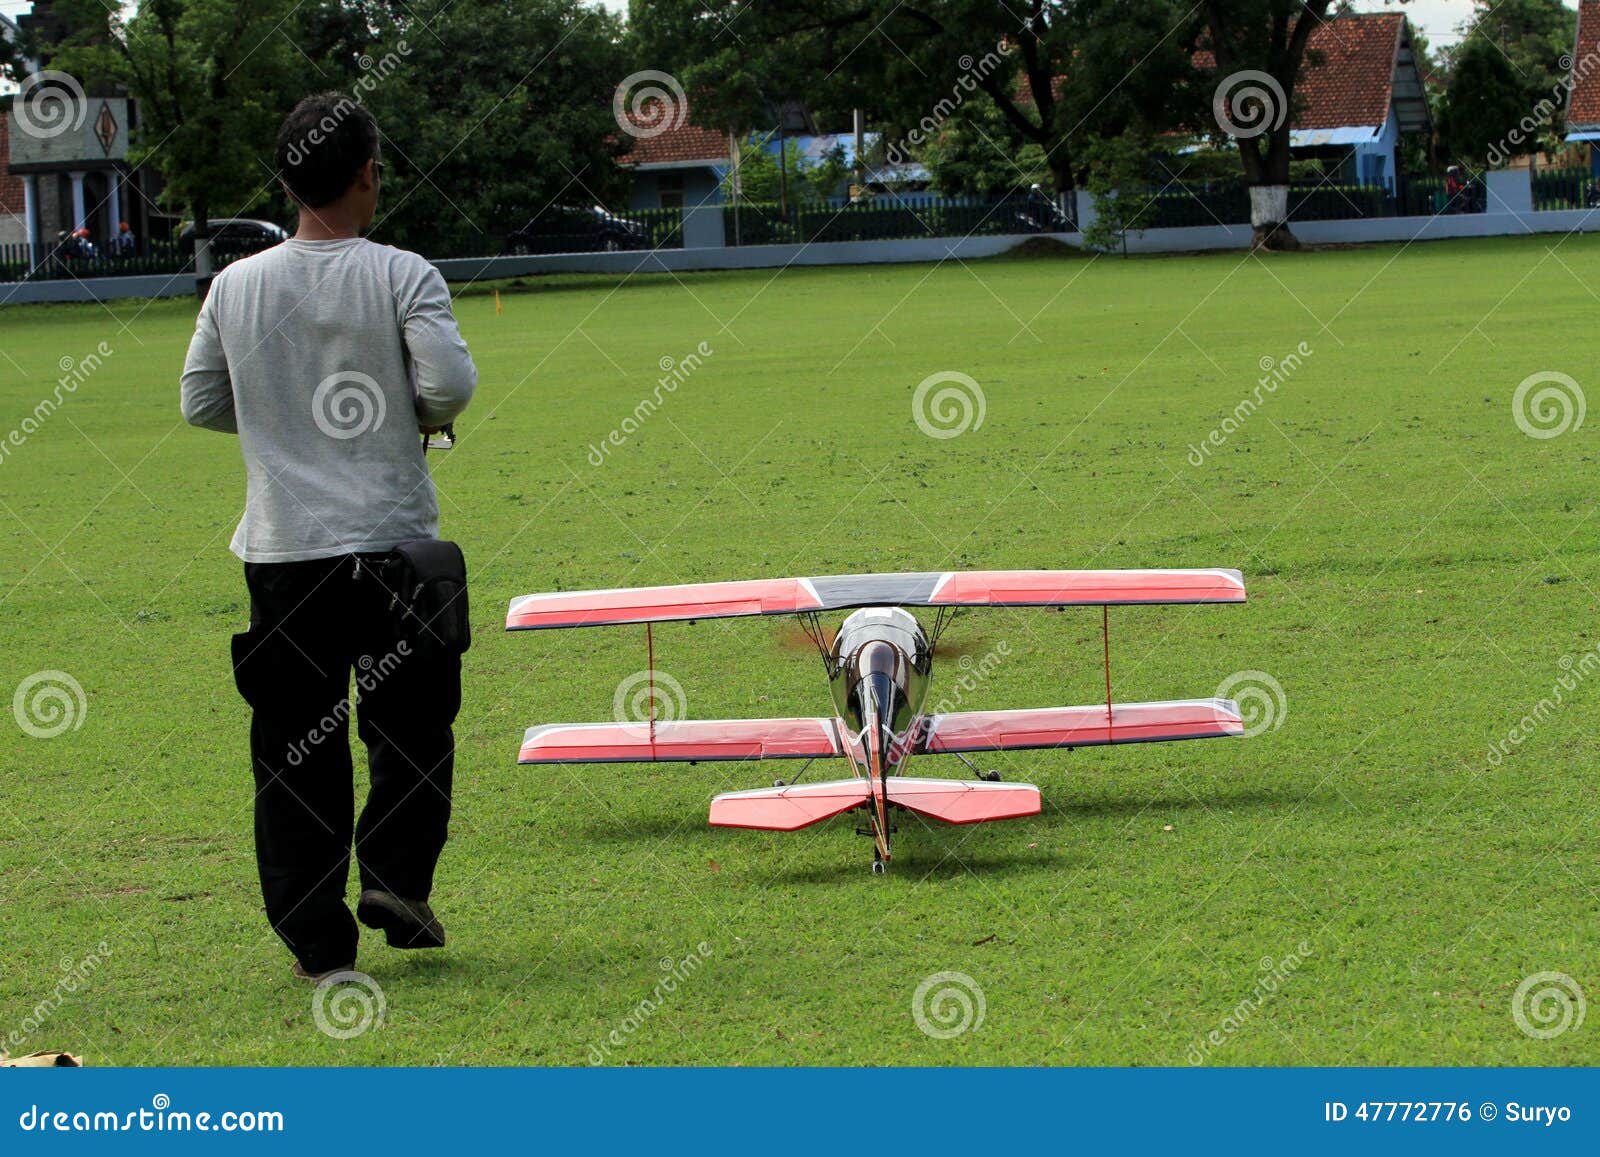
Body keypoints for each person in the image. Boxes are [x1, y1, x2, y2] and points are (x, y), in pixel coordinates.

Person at [179, 92, 478, 982]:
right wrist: (402, 419)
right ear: (367, 175)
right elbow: (451, 386)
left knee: (294, 747)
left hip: (281, 555)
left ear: (286, 178)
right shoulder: (400, 273)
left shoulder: (235, 284)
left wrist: (284, 427)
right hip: (392, 546)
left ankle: (317, 942)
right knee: (413, 726)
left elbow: (199, 399)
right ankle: (395, 876)